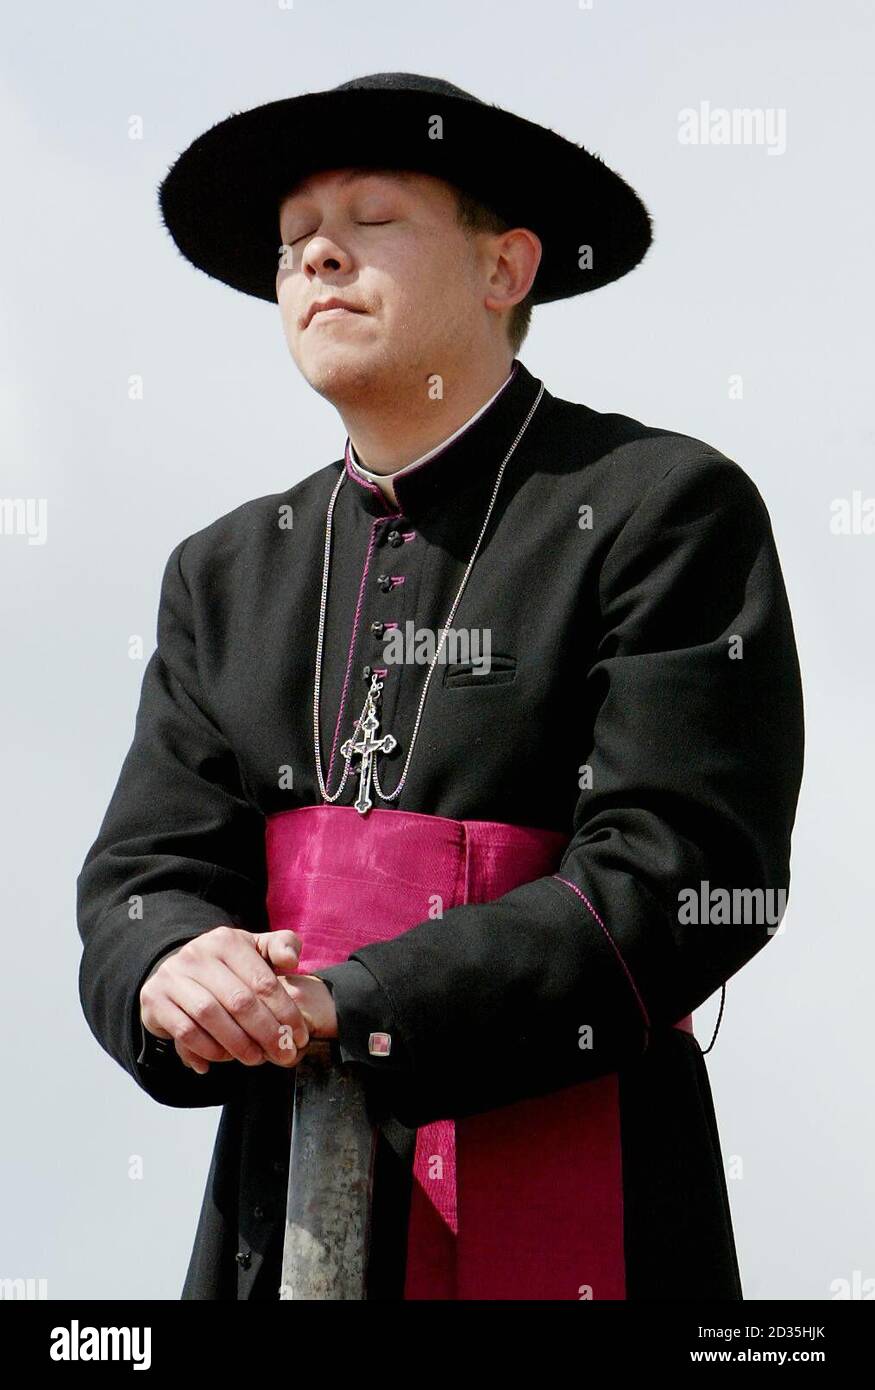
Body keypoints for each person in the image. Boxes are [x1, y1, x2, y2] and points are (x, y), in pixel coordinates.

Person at [76, 72, 804, 1301]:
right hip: (276, 1202)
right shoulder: (222, 572)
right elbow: (143, 879)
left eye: (369, 220)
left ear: (502, 269)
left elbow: (682, 869)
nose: (316, 256)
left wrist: (349, 1001)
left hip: (578, 1165)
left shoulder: (660, 507)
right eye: (293, 237)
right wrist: (173, 967)